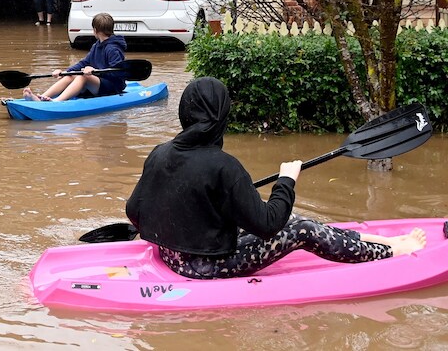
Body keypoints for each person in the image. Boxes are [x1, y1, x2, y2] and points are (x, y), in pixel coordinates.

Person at [124, 77, 426, 280]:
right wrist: (286, 182)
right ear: (221, 116)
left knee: (293, 218)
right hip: (205, 267)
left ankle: (379, 240)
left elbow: (134, 211)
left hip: (170, 257)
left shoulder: (159, 153)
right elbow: (268, 224)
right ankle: (390, 252)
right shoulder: (224, 166)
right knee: (302, 229)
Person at [24, 12, 126, 102]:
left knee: (83, 77)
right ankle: (42, 97)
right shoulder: (97, 45)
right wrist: (65, 72)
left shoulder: (113, 49)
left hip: (113, 87)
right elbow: (84, 63)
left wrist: (96, 71)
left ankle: (57, 101)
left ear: (95, 30)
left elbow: (118, 73)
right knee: (71, 75)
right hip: (99, 83)